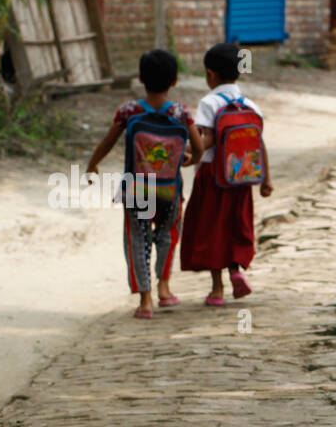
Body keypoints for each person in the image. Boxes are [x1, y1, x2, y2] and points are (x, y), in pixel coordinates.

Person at [86, 49, 203, 319]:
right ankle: (164, 288)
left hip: (138, 189)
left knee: (138, 239)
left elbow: (107, 142)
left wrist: (92, 164)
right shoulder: (181, 112)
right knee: (166, 235)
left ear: (140, 78)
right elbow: (197, 148)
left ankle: (145, 301)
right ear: (175, 81)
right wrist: (188, 159)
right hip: (169, 189)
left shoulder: (128, 111)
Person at [180, 42, 274, 306]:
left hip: (212, 176)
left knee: (212, 227)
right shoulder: (250, 105)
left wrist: (189, 154)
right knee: (235, 225)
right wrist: (266, 179)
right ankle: (235, 271)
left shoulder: (209, 102)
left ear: (210, 74)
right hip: (241, 177)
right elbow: (259, 143)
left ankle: (217, 289)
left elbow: (206, 139)